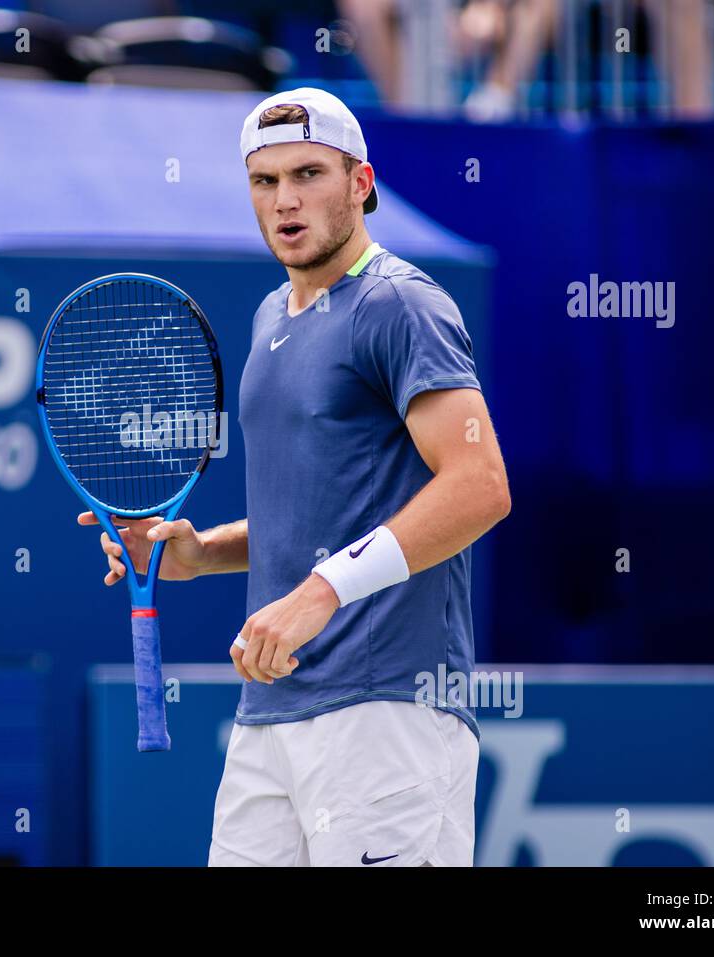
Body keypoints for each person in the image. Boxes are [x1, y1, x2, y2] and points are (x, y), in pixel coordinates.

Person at [80, 88, 510, 866]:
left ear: (360, 182)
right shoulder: (270, 316)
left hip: (389, 714)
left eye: (309, 173)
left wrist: (319, 593)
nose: (285, 200)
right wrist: (200, 552)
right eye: (265, 181)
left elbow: (481, 485)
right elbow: (319, 515)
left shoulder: (402, 305)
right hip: (268, 718)